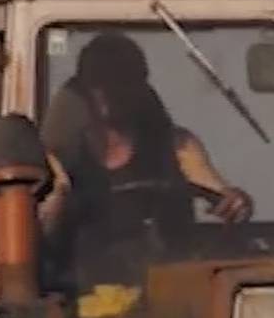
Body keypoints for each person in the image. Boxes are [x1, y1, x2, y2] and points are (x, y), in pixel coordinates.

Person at [37, 30, 254, 291]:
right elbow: (42, 232)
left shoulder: (177, 147)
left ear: (141, 85)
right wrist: (60, 199)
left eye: (121, 79)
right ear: (84, 88)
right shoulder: (59, 159)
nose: (107, 91)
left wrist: (235, 202)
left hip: (168, 288)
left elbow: (222, 196)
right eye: (98, 80)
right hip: (81, 295)